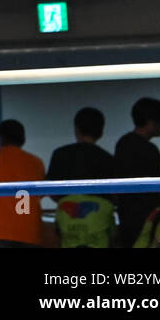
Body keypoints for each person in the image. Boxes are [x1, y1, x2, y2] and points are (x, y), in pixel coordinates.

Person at [46, 106, 117, 248]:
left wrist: (70, 200)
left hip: (67, 218)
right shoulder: (108, 158)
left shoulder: (60, 154)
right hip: (99, 220)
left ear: (76, 128)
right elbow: (115, 196)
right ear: (101, 131)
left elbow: (51, 191)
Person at [114, 96, 160, 248]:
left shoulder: (122, 143)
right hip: (149, 217)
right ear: (151, 122)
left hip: (126, 215)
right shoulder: (149, 149)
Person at [0, 119, 46, 247]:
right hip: (29, 233)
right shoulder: (35, 163)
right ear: (23, 138)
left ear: (1, 137)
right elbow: (40, 194)